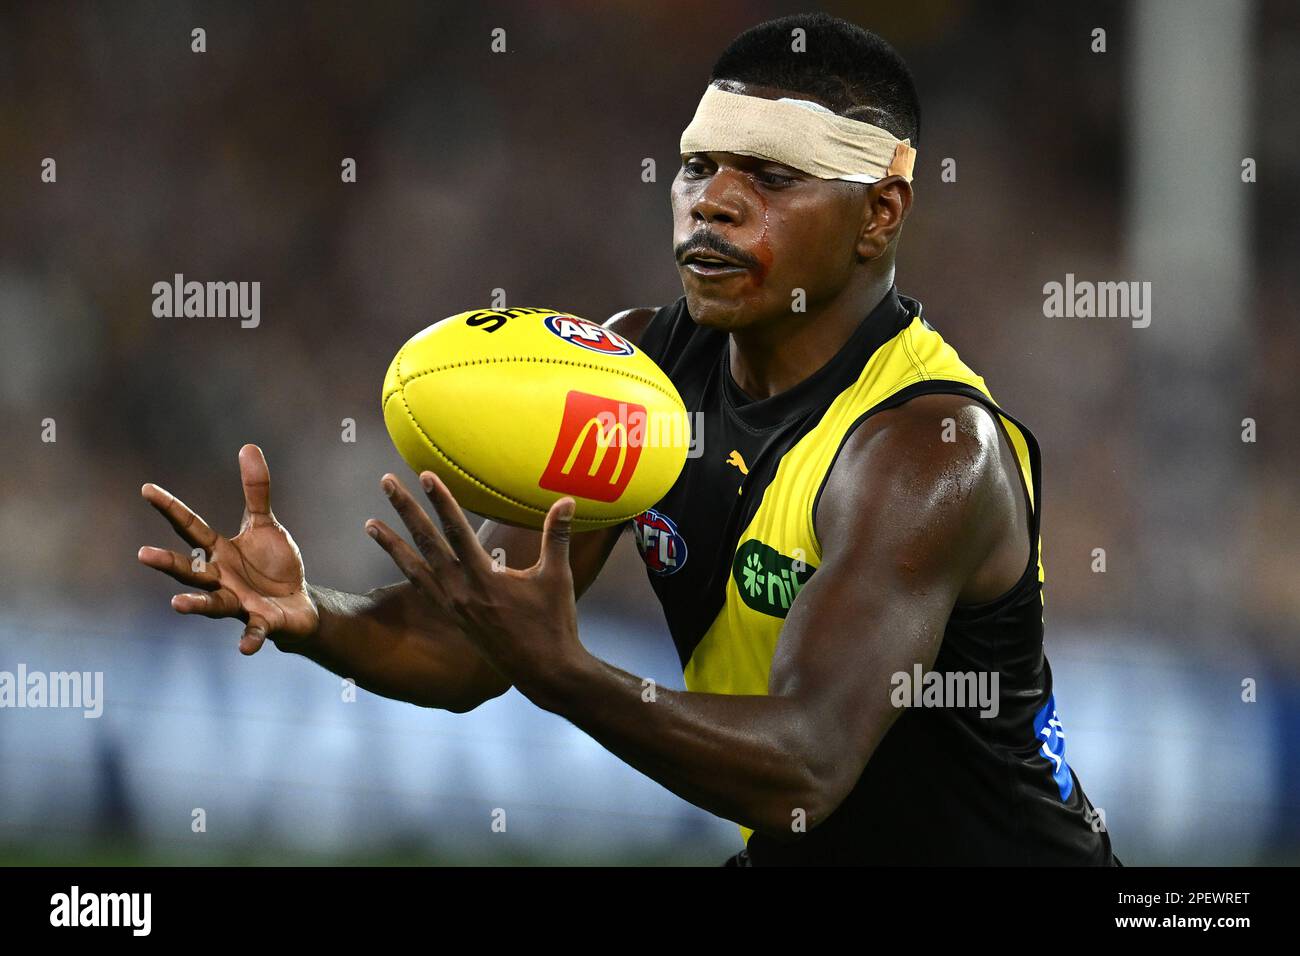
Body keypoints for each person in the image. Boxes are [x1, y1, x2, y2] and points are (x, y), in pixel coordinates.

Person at [138, 12, 1118, 865]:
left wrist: (569, 673)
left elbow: (805, 765)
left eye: (770, 175)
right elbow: (470, 645)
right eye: (697, 165)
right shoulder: (636, 374)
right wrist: (316, 612)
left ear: (879, 215)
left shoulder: (927, 446)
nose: (713, 199)